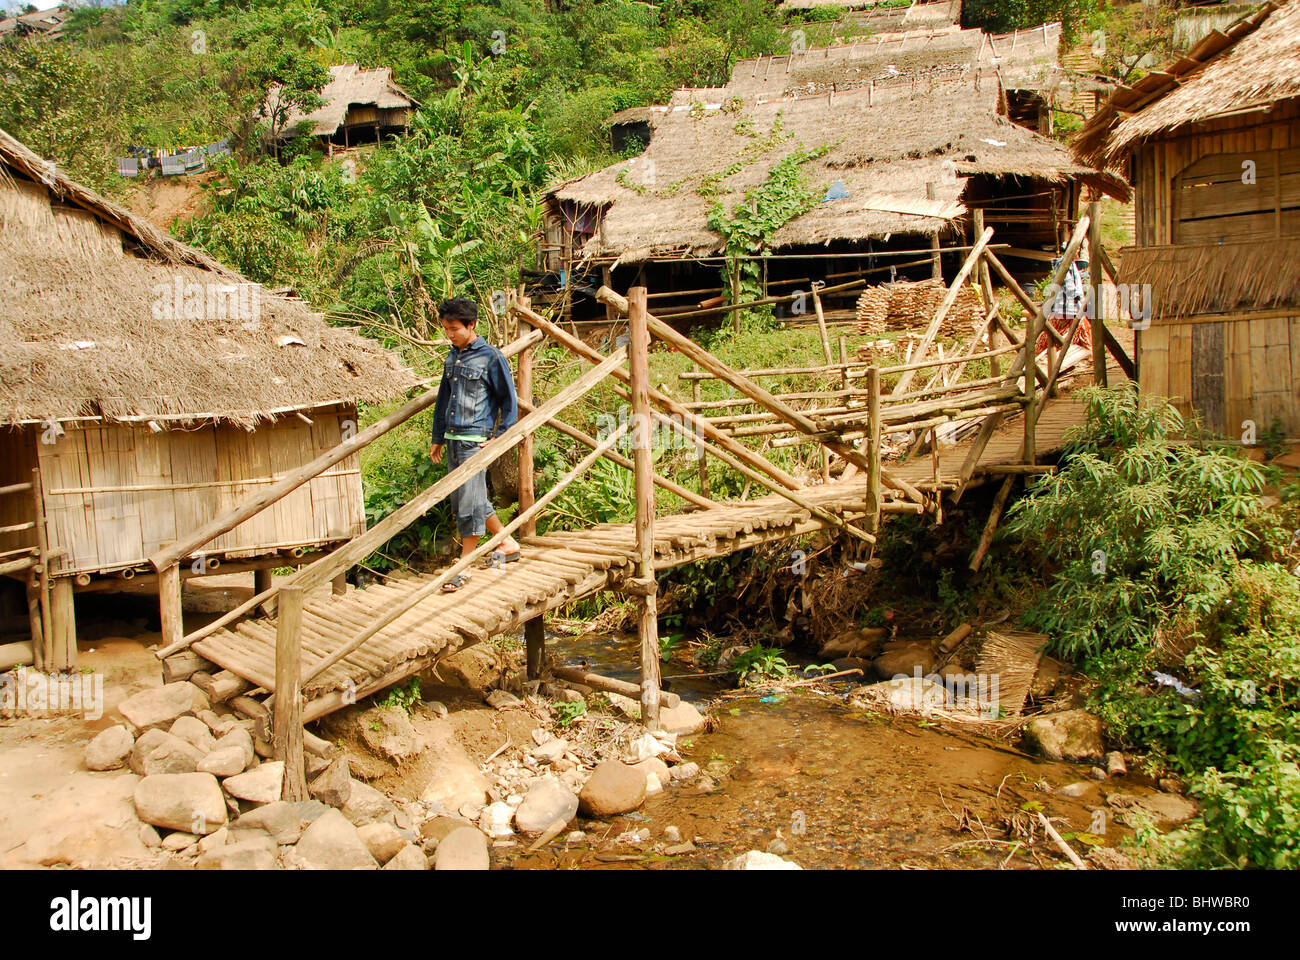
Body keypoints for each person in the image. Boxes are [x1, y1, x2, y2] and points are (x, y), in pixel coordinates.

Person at [429, 297, 521, 591]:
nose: (450, 334)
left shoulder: (491, 357)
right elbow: (443, 400)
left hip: (475, 442)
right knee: (468, 500)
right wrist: (438, 438)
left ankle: (464, 565)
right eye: (446, 329)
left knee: (469, 503)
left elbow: (509, 400)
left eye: (454, 328)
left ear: (471, 325)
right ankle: (507, 543)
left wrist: (501, 436)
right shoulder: (451, 357)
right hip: (454, 441)